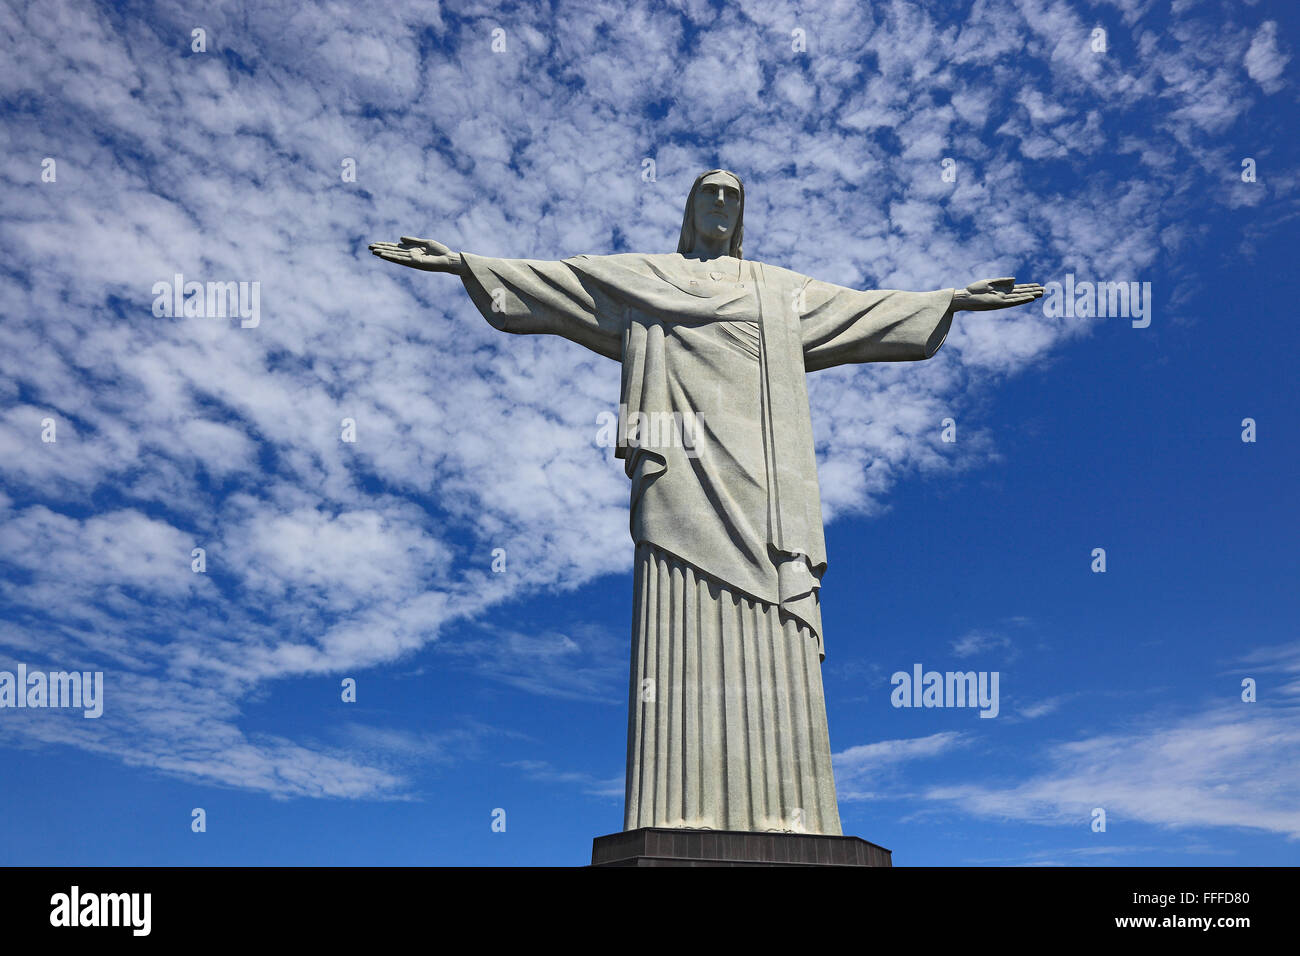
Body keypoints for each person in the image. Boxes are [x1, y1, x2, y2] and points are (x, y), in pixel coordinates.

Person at [370, 169, 1042, 834]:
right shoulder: (648, 277)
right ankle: (675, 810)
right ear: (691, 210)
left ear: (741, 214)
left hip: (767, 481)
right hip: (681, 472)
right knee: (680, 616)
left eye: (732, 196)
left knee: (776, 622)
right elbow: (560, 282)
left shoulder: (777, 289)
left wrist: (952, 299)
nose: (720, 203)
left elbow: (863, 309)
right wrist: (464, 263)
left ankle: (794, 818)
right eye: (708, 193)